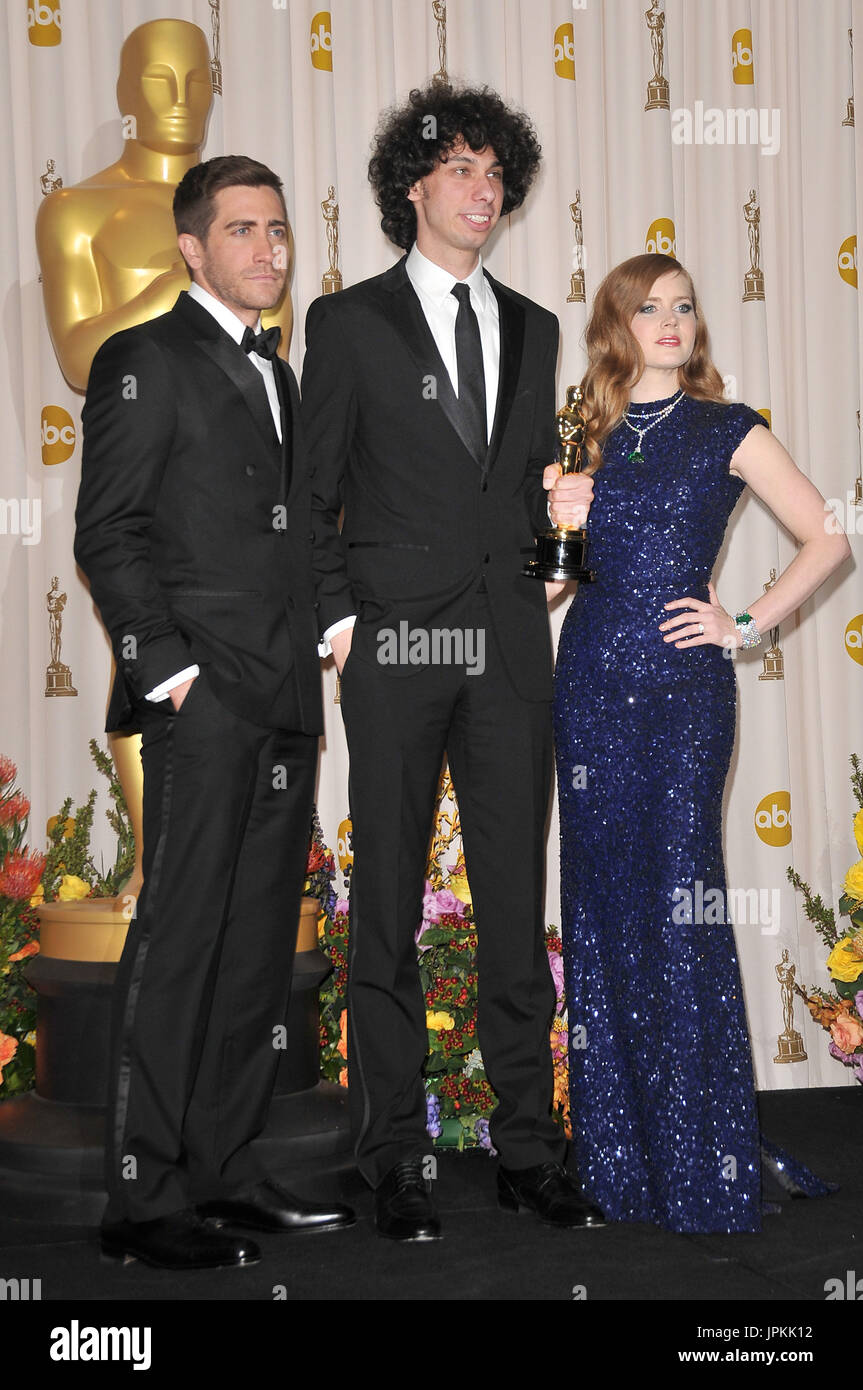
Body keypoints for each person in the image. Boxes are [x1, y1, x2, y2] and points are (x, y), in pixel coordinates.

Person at [301, 83, 599, 1240]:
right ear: (411, 185)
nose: (481, 191)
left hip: (507, 650)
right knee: (381, 913)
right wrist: (340, 626)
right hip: (394, 645)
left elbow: (524, 496)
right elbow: (312, 491)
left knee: (513, 909)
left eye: (495, 175)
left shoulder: (534, 325)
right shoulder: (350, 323)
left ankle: (529, 1148)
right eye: (461, 170)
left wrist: (557, 541)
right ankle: (389, 1162)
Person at [75, 155, 354, 1269]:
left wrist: (335, 623)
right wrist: (169, 670)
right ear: (192, 247)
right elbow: (110, 533)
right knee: (182, 943)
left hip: (285, 699)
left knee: (250, 953)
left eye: (278, 230)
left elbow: (304, 530)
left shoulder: (280, 375)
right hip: (202, 703)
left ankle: (228, 1173)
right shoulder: (140, 359)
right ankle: (141, 1197)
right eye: (242, 231)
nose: (268, 250)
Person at [548, 253, 850, 1232]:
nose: (670, 321)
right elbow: (545, 591)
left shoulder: (729, 428)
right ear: (614, 325)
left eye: (682, 306)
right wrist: (553, 520)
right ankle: (619, 1162)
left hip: (683, 695)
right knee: (601, 908)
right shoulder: (579, 437)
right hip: (588, 682)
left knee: (679, 902)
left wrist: (747, 623)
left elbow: (827, 537)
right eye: (649, 308)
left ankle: (700, 1160)